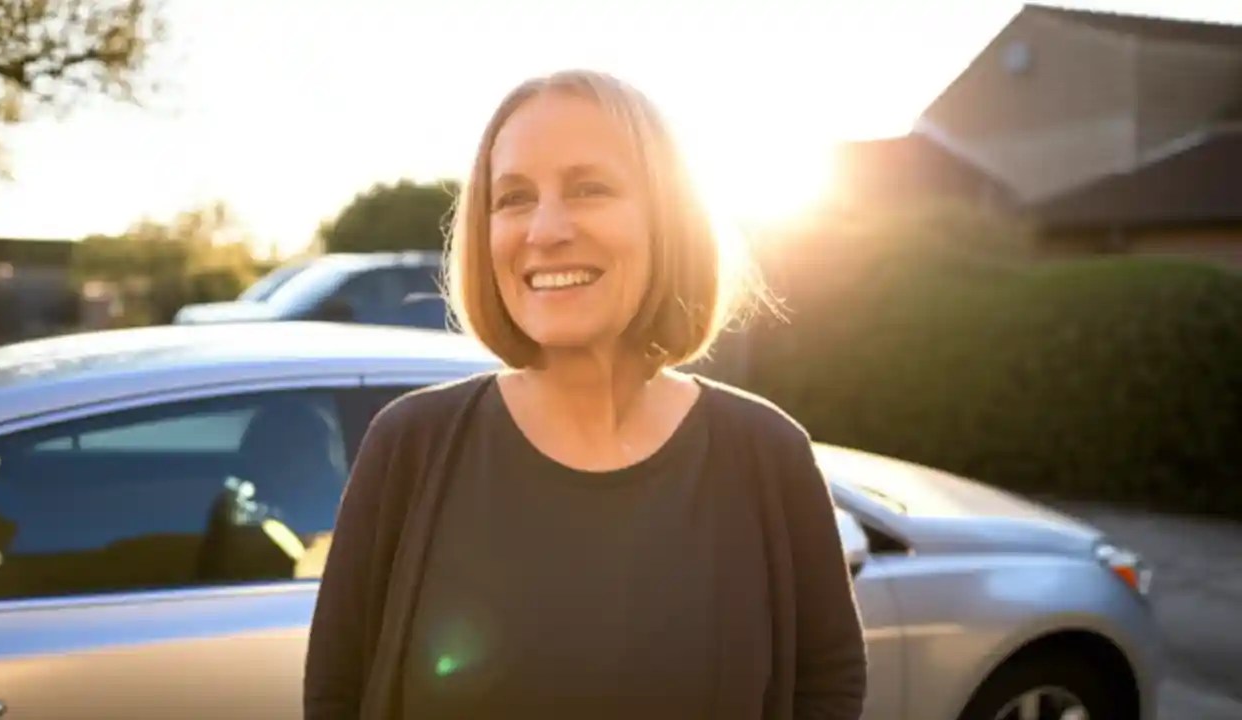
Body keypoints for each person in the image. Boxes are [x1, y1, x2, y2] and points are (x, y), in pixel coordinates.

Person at [304, 69, 867, 720]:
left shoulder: (768, 455)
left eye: (589, 188)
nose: (544, 230)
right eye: (513, 198)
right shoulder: (410, 447)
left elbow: (828, 681)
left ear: (668, 220)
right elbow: (336, 696)